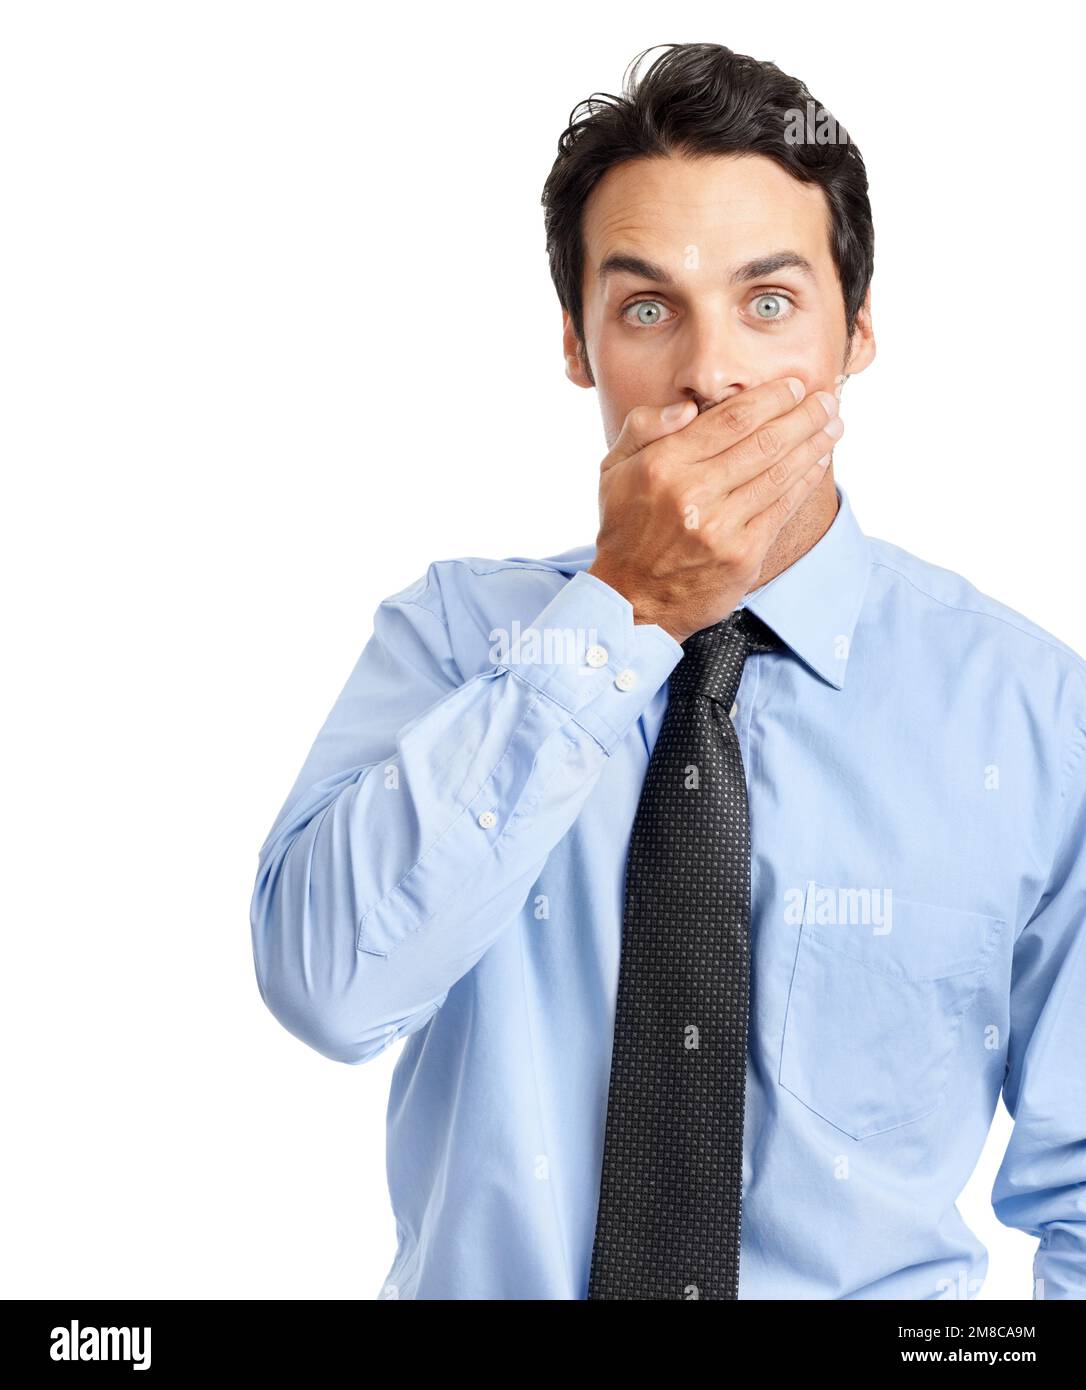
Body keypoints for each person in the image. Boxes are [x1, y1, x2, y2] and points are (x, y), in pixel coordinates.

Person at [249, 42, 1086, 1299]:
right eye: (647, 309)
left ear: (857, 328)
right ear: (579, 345)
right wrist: (626, 607)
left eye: (768, 302)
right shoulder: (450, 642)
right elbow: (328, 988)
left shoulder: (1030, 714)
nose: (710, 372)